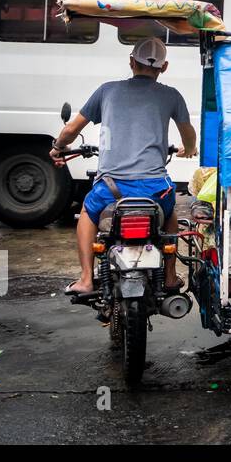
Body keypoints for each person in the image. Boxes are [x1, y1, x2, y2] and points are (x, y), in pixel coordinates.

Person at [52, 38, 198, 297]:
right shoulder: (171, 95)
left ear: (131, 62)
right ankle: (170, 276)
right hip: (155, 190)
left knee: (88, 213)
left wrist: (58, 147)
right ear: (163, 68)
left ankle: (86, 279)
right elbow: (189, 134)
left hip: (111, 188)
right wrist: (188, 149)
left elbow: (72, 130)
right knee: (171, 215)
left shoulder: (106, 91)